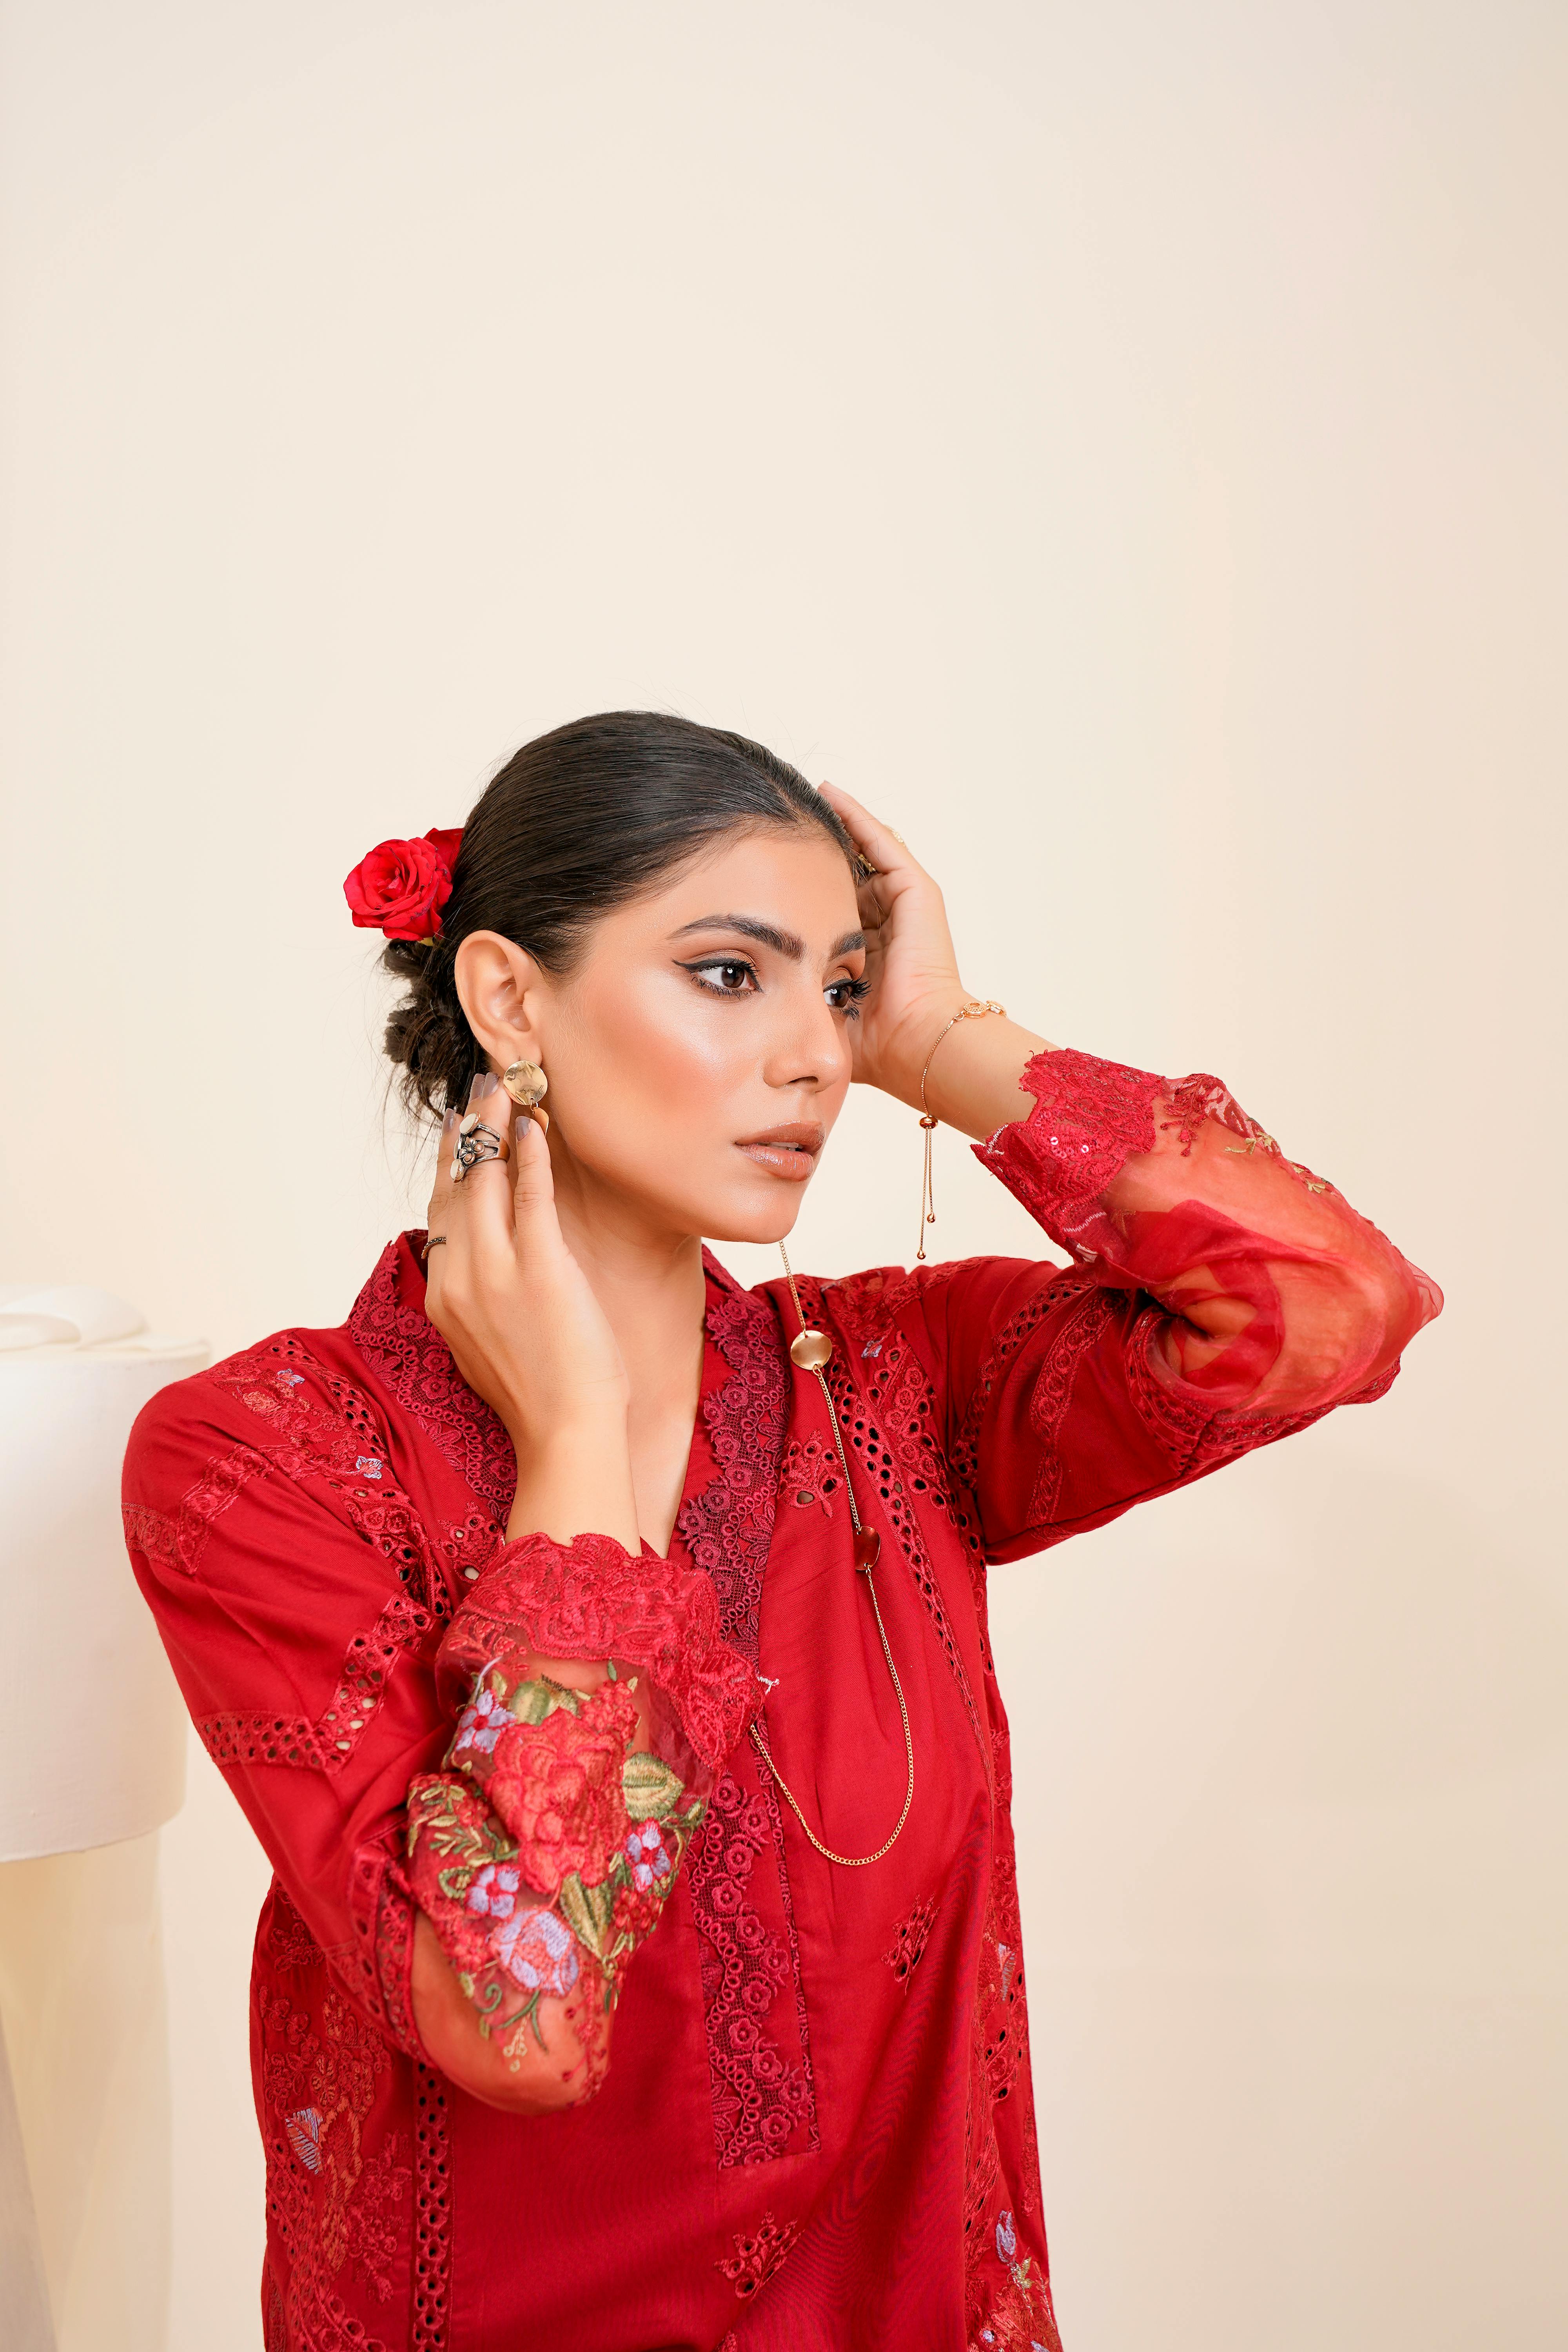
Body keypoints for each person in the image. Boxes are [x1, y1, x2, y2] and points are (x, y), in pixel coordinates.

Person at [123, 711, 1440, 2352]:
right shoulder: (273, 1458)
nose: (818, 1056)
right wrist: (580, 1452)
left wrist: (943, 1035)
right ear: (510, 998)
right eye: (729, 975)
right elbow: (518, 2013)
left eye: (835, 988)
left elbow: (1327, 1311)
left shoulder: (886, 1391)